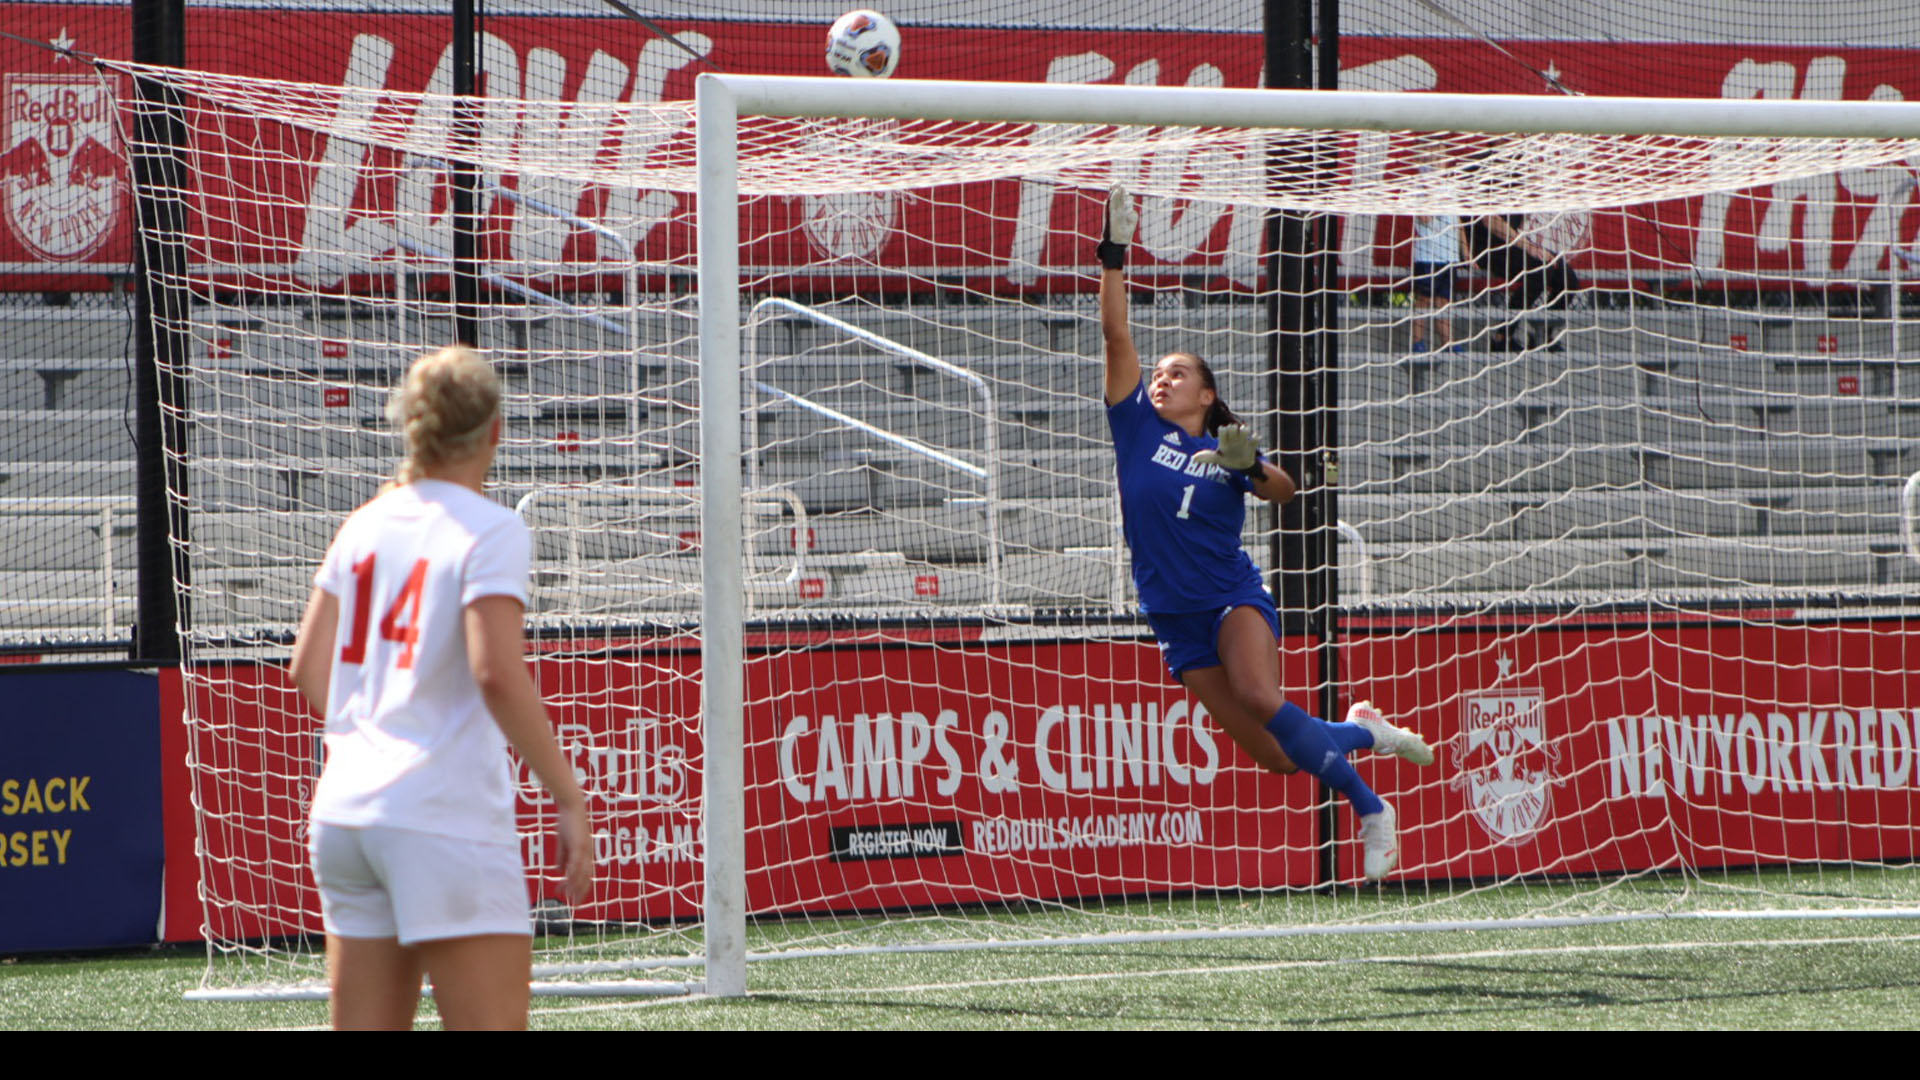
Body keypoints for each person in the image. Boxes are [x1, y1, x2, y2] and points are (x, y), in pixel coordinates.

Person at [1095, 186, 1434, 883]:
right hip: (1172, 615)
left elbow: (1286, 491)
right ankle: (1366, 730)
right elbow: (1116, 335)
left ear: (1208, 394)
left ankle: (1371, 808)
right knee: (1277, 757)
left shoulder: (1230, 449)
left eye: (1177, 373)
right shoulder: (1135, 426)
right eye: (1158, 374)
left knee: (1259, 696)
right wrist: (1113, 255)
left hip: (1230, 598)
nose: (1161, 379)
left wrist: (1250, 467)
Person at [289, 345, 593, 1030]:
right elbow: (495, 673)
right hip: (441, 816)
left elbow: (307, 668)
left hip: (345, 814)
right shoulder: (492, 529)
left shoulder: (363, 524)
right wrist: (569, 797)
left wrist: (376, 736)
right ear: (495, 431)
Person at [1465, 212, 1578, 351]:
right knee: (1541, 269)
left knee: (1568, 279)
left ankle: (1543, 332)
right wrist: (1529, 247)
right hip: (1484, 247)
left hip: (1509, 245)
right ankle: (1502, 337)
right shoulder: (1494, 191)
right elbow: (1490, 222)